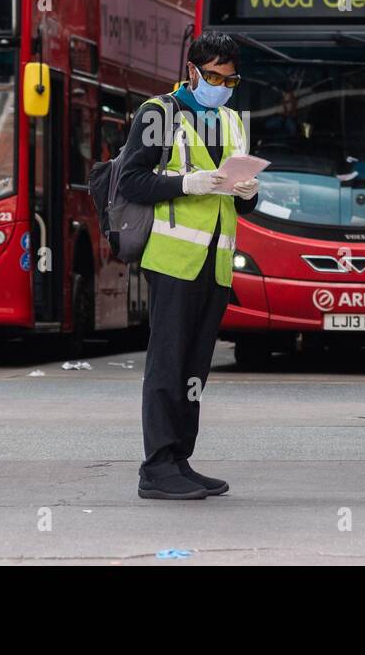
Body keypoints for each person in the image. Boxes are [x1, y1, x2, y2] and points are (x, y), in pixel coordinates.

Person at [117, 31, 259, 500]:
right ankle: (156, 467)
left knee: (196, 367)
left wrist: (249, 193)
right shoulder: (159, 113)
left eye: (230, 78)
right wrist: (188, 184)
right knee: (167, 363)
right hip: (173, 258)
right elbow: (132, 182)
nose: (221, 85)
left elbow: (244, 203)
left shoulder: (234, 121)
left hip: (215, 263)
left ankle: (180, 458)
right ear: (192, 70)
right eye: (213, 75)